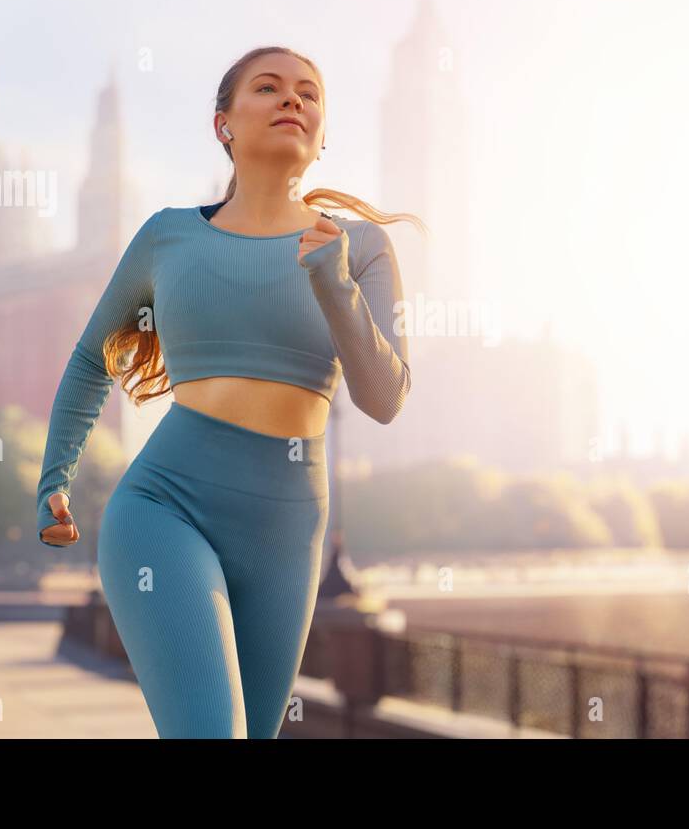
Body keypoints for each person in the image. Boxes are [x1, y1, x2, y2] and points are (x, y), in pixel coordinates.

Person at [34, 45, 426, 738]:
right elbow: (95, 358)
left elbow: (385, 397)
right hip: (165, 505)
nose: (292, 100)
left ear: (323, 134)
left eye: (309, 93)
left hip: (287, 526)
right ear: (224, 124)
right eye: (268, 88)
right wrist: (54, 477)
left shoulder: (358, 248)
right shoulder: (169, 236)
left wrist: (334, 286)